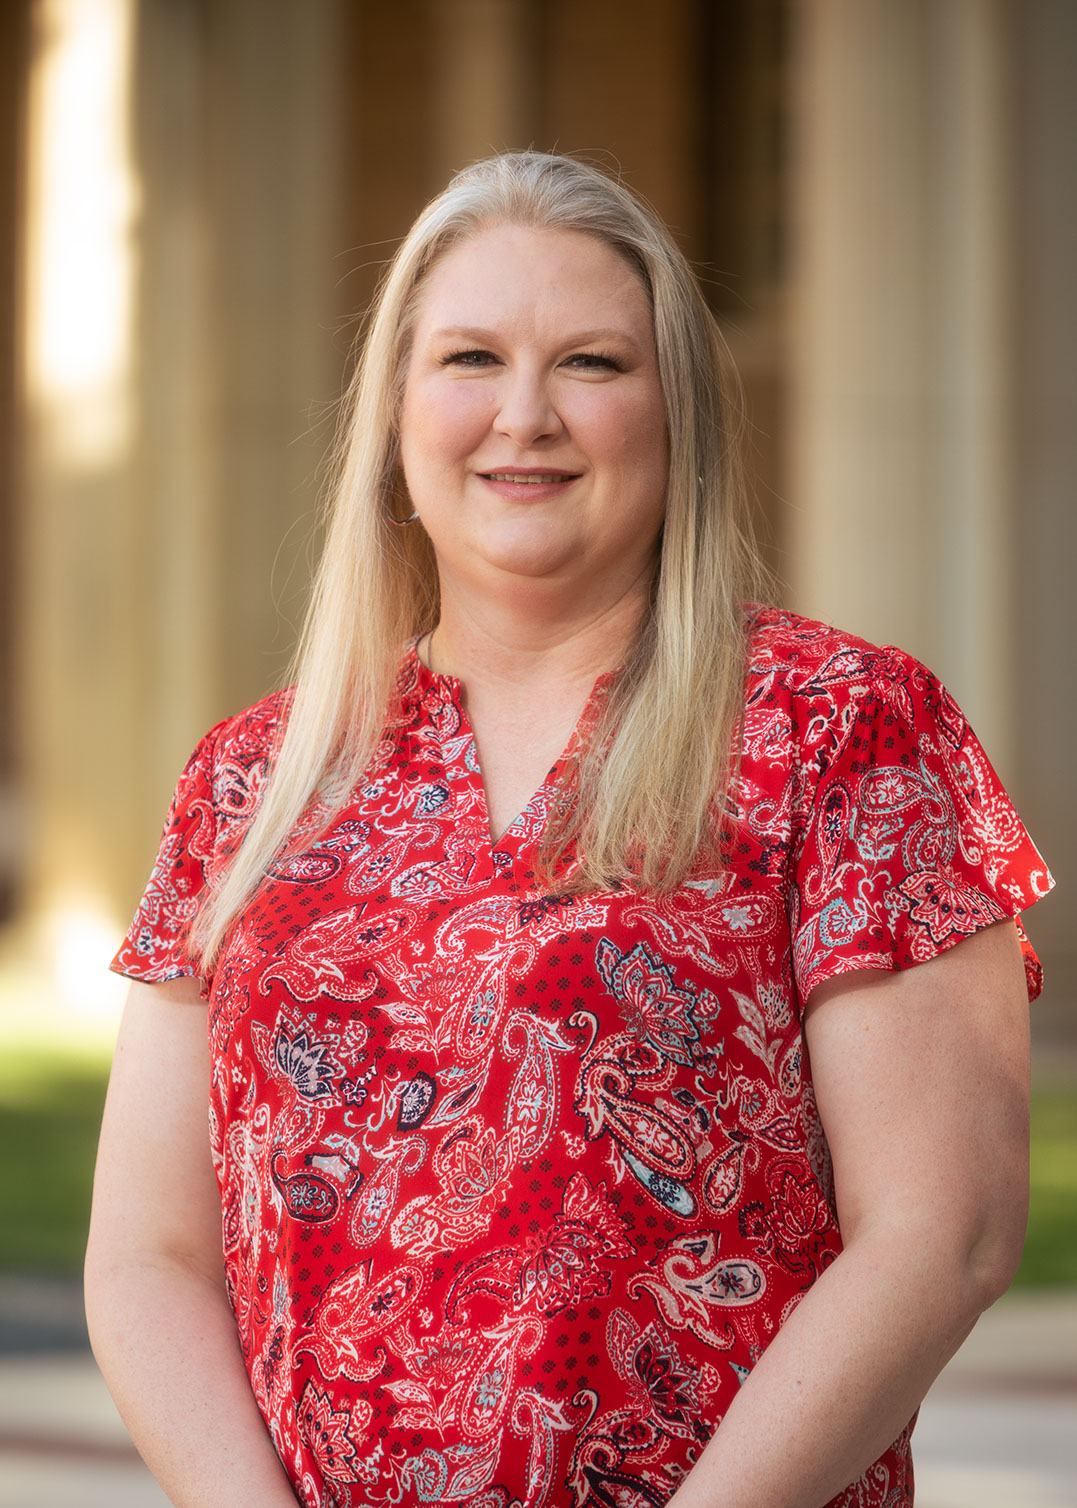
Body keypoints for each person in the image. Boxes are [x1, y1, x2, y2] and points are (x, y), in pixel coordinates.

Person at [85, 152, 1052, 1508]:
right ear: (395, 415)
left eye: (592, 365)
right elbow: (146, 1258)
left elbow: (942, 1234)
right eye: (470, 357)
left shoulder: (836, 727)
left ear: (678, 415)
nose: (523, 416)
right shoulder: (251, 781)